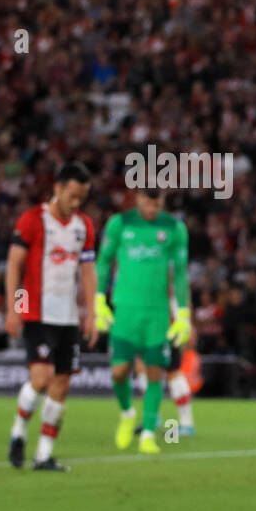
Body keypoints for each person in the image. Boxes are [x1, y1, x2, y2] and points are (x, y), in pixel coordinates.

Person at [4, 162, 97, 471]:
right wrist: (14, 308)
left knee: (61, 386)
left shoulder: (84, 226)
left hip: (68, 318)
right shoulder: (32, 220)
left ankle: (44, 456)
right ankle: (18, 432)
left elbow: (87, 271)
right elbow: (14, 266)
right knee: (40, 379)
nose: (75, 204)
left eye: (80, 198)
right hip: (37, 314)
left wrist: (92, 313)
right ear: (57, 188)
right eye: (72, 196)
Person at [94, 187, 190, 455]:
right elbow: (103, 262)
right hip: (125, 309)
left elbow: (180, 273)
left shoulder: (174, 228)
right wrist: (98, 299)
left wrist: (183, 312)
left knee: (155, 373)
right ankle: (127, 413)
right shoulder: (120, 224)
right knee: (119, 372)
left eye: (157, 204)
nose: (152, 209)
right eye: (148, 203)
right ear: (137, 199)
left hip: (157, 313)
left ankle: (148, 433)